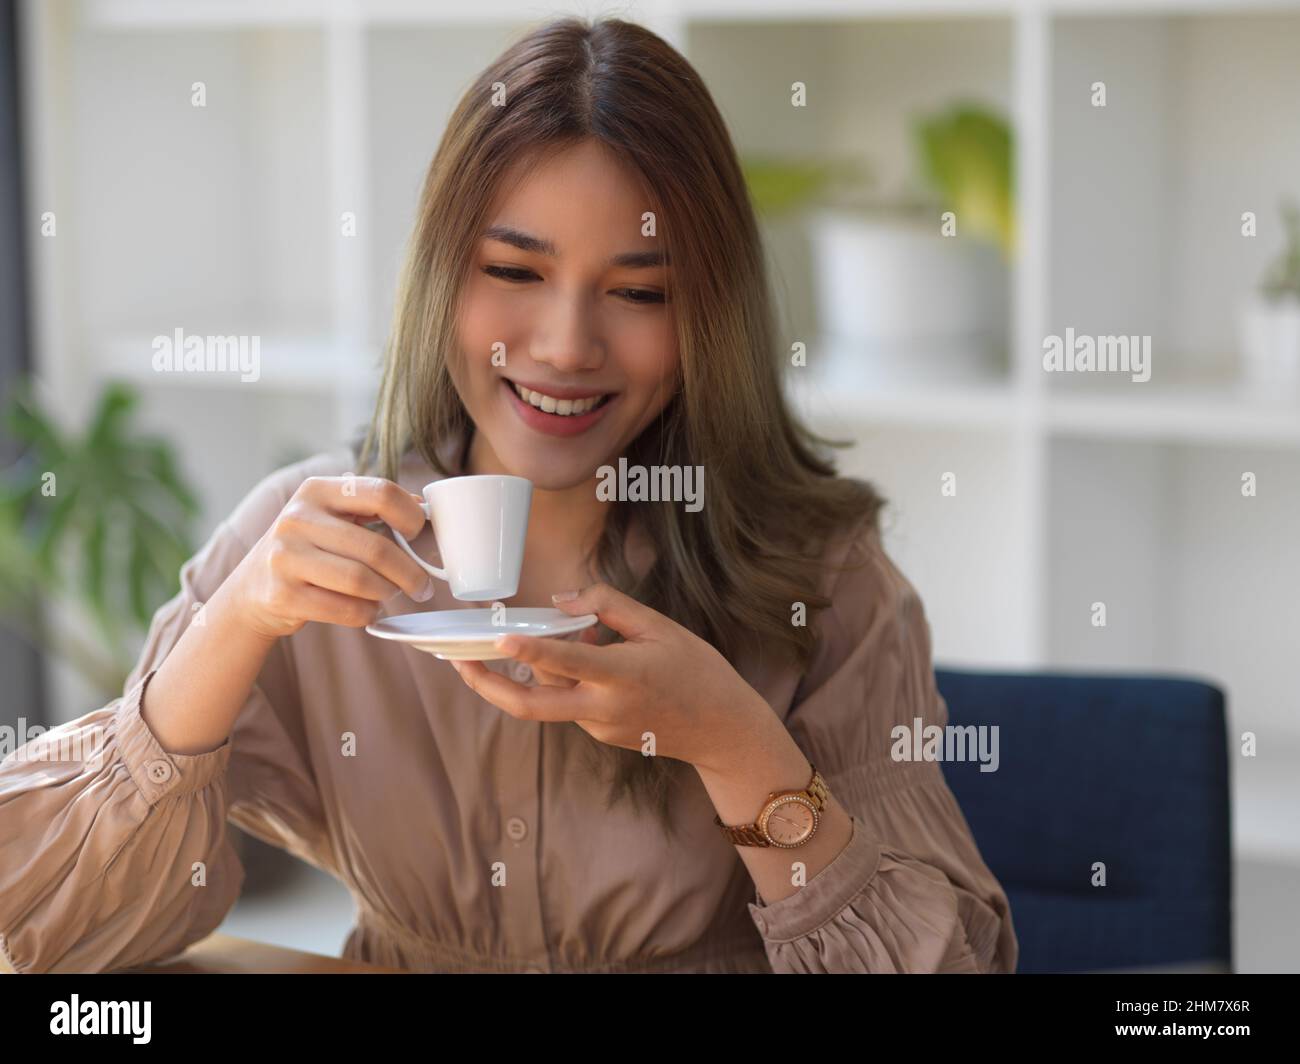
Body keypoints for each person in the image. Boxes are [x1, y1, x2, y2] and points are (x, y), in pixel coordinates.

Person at [0, 16, 1017, 974]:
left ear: (709, 313)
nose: (567, 345)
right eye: (513, 271)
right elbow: (53, 929)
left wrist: (731, 739)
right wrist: (229, 629)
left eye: (639, 291)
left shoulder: (825, 574)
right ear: (441, 276)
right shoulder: (305, 539)